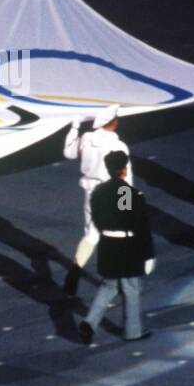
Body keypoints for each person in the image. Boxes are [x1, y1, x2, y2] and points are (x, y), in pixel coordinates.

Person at [78, 150, 155, 344]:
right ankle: (133, 331)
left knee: (109, 285)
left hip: (108, 245)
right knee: (131, 288)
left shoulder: (98, 191)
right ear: (124, 169)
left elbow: (96, 218)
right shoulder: (124, 192)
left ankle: (89, 322)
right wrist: (147, 253)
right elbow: (133, 222)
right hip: (125, 246)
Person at [62, 104, 129, 295]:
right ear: (114, 123)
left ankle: (75, 271)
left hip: (91, 191)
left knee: (91, 235)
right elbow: (126, 178)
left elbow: (69, 153)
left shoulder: (86, 138)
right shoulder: (119, 146)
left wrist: (74, 127)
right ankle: (115, 282)